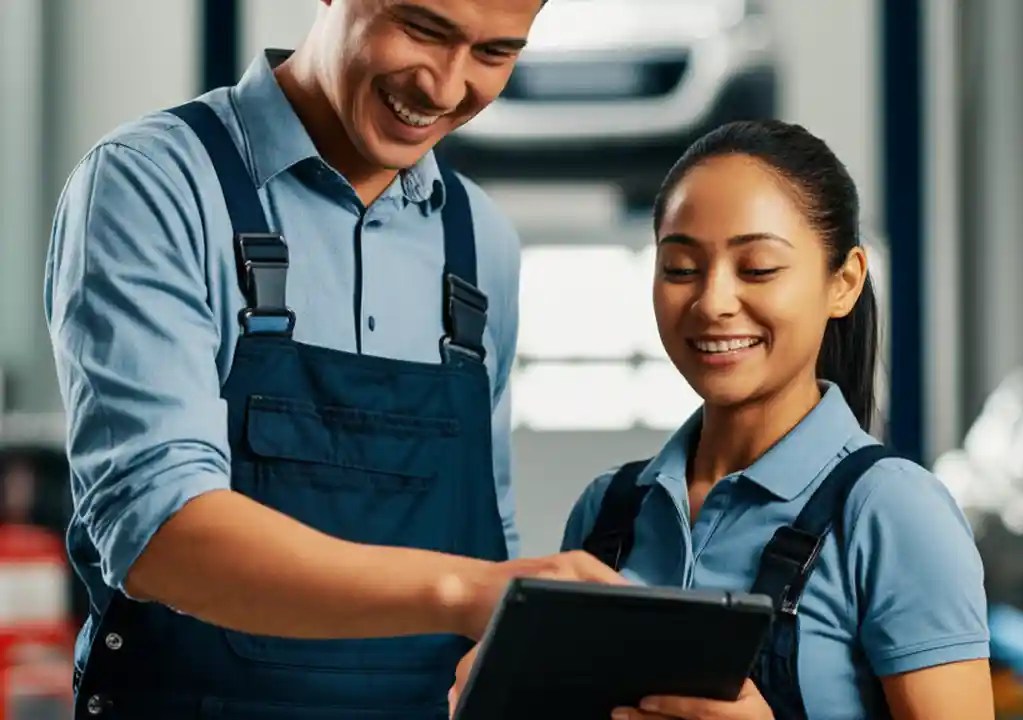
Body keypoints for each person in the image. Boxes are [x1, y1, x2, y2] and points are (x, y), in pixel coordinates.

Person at [43, 1, 622, 717]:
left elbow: (487, 532)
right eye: (424, 30)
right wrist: (466, 593)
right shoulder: (153, 184)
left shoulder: (481, 244)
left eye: (494, 55)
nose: (444, 88)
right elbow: (162, 535)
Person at [563, 120, 996, 719]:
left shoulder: (891, 510)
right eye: (682, 268)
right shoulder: (609, 511)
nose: (713, 301)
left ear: (843, 283)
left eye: (758, 268)